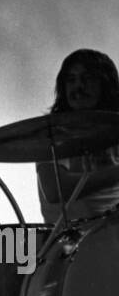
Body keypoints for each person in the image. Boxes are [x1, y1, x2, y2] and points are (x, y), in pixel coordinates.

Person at [36, 49, 119, 225]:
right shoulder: (53, 133)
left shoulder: (114, 129)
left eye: (87, 78)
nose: (78, 87)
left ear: (106, 85)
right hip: (71, 242)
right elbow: (54, 190)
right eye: (71, 80)